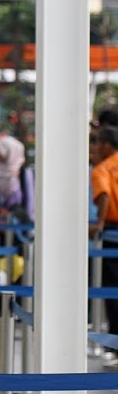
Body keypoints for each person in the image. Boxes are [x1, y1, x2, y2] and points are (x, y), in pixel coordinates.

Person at [89, 126, 118, 335]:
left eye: (97, 142)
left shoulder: (102, 169)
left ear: (107, 145)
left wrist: (99, 223)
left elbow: (105, 194)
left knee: (112, 286)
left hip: (112, 232)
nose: (94, 148)